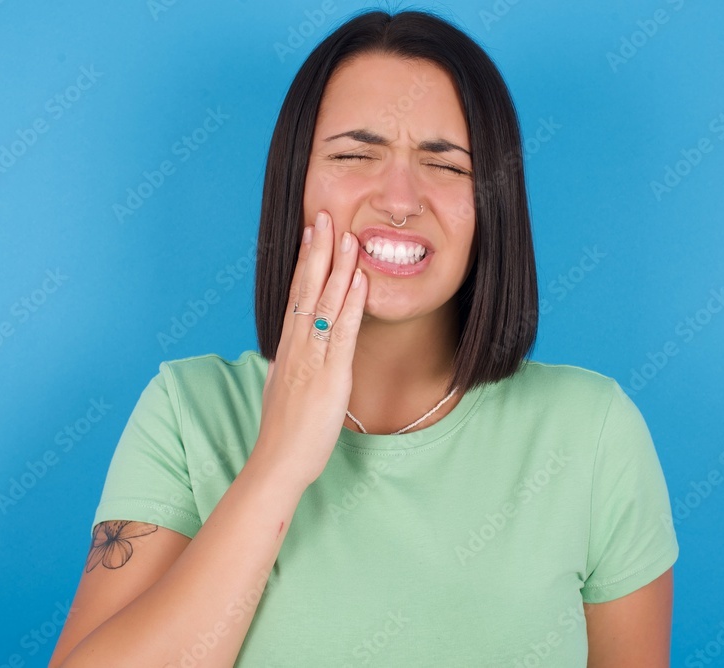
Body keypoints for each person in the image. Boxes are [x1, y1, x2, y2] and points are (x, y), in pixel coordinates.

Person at [50, 8, 678, 667]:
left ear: (492, 205)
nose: (400, 200)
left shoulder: (593, 433)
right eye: (354, 155)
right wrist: (279, 463)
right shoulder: (187, 413)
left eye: (447, 165)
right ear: (294, 185)